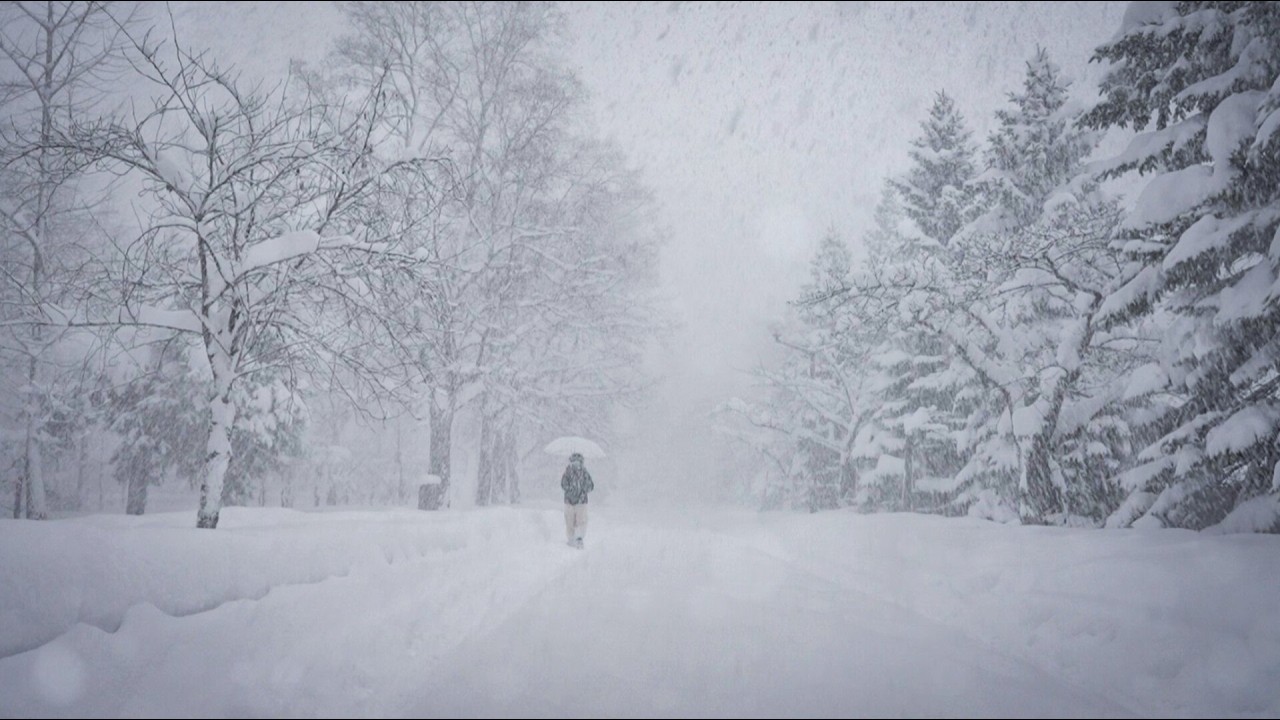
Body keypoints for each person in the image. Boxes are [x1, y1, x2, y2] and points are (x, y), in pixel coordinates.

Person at [560, 452, 594, 548]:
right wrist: (582, 490)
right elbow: (590, 486)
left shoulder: (567, 472)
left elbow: (563, 485)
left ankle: (571, 538)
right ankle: (579, 538)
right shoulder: (585, 472)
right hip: (581, 501)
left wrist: (570, 490)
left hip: (569, 501)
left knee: (569, 521)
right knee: (581, 521)